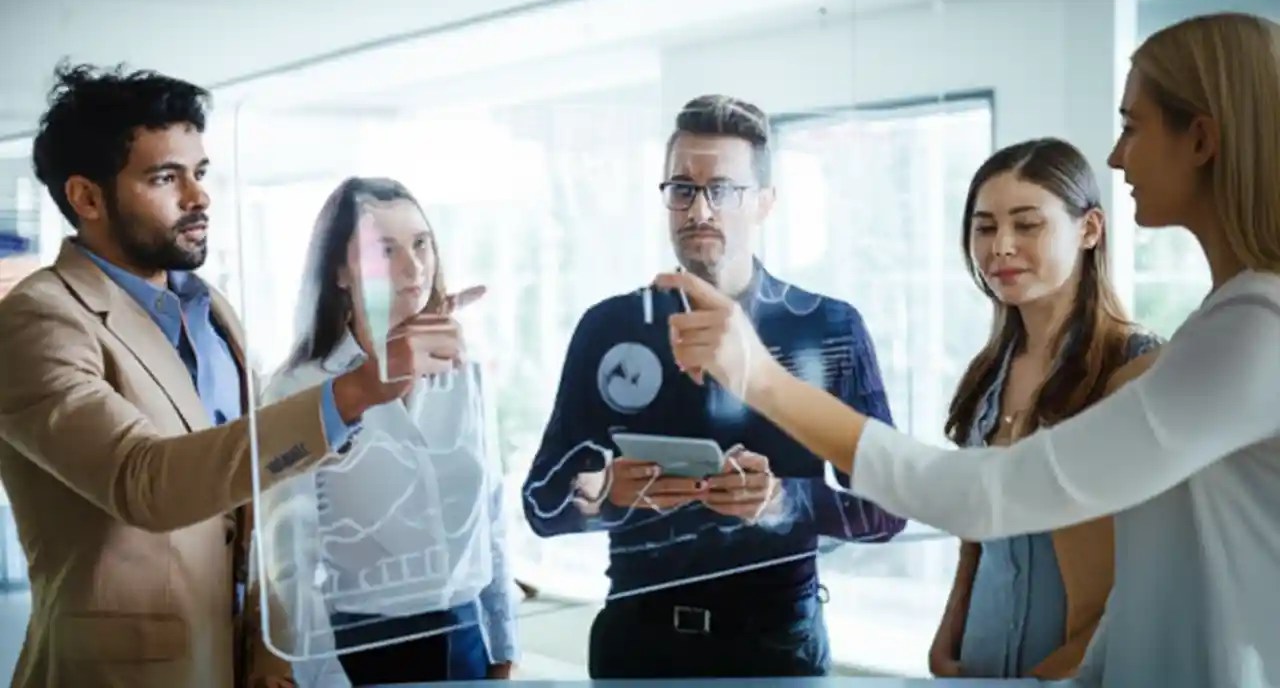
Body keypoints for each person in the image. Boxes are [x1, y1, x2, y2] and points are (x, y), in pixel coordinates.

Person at [657, 12, 1280, 688]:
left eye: (1133, 125)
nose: (1115, 155)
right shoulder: (1220, 326)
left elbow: (990, 496)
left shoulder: (1252, 331)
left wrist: (760, 378)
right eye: (985, 226)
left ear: (1201, 139)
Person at [0, 64, 466, 688]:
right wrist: (356, 391)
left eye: (200, 172)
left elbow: (254, 512)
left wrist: (271, 644)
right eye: (165, 177)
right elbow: (145, 482)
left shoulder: (211, 309)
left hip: (241, 662)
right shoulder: (34, 321)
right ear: (86, 198)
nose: (198, 197)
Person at [522, 94, 905, 679]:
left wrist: (785, 502)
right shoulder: (610, 327)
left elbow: (888, 510)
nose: (700, 208)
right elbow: (540, 504)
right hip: (637, 643)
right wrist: (604, 497)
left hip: (776, 644)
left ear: (765, 203)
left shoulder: (829, 328)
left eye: (723, 189)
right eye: (682, 188)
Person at [258, 177, 517, 685]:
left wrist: (503, 647)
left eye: (421, 244)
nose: (413, 268)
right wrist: (321, 678)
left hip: (468, 643)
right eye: (386, 250)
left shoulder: (466, 372)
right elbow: (288, 565)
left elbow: (491, 516)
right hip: (364, 651)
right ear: (338, 271)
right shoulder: (299, 390)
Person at [925, 138, 1160, 680]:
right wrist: (946, 643)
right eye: (984, 227)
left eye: (1027, 225)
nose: (1000, 247)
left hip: (1078, 671)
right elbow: (975, 536)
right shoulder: (988, 372)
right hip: (980, 663)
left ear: (1090, 230)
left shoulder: (1134, 364)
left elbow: (1148, 567)